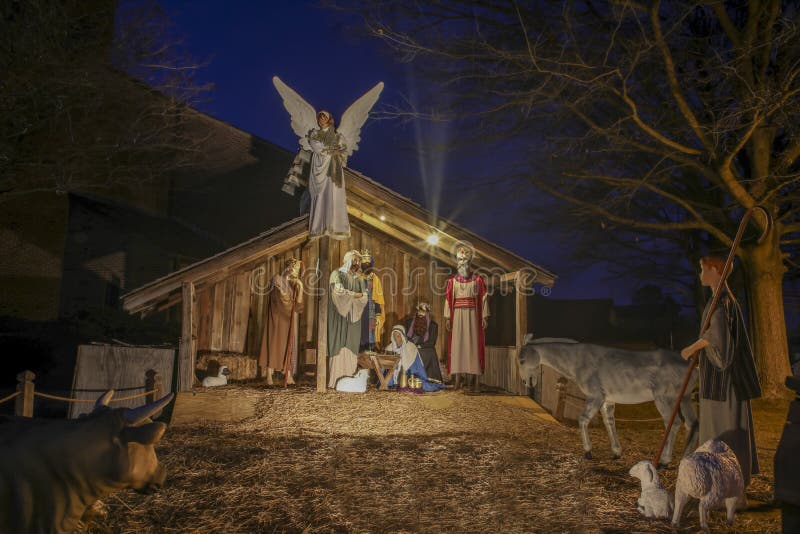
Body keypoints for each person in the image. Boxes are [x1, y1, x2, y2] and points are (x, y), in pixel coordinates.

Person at [680, 255, 761, 486]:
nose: (700, 275)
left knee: (724, 430)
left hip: (725, 384)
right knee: (717, 429)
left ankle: (728, 481)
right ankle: (718, 479)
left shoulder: (723, 300)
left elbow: (717, 337)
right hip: (718, 379)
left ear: (715, 270)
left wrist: (691, 349)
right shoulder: (718, 299)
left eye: (703, 269)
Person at [444, 247, 489, 392]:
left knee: (472, 346)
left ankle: (475, 382)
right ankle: (457, 380)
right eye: (459, 259)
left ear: (469, 261)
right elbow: (448, 299)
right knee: (457, 346)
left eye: (464, 259)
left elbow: (483, 298)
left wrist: (484, 316)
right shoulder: (452, 282)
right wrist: (447, 317)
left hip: (472, 317)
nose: (462, 262)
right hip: (457, 317)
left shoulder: (477, 280)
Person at [258, 258, 303, 385]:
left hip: (287, 320)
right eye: (294, 269)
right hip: (276, 317)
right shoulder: (277, 279)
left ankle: (287, 374)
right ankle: (269, 376)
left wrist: (301, 285)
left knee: (288, 347)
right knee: (273, 344)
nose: (295, 272)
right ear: (288, 268)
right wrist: (290, 299)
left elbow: (299, 307)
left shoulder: (293, 285)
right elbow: (281, 298)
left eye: (297, 270)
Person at [307, 110, 350, 240]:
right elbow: (317, 147)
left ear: (329, 119)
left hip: (333, 169)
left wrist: (338, 151)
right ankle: (318, 226)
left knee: (333, 194)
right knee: (321, 195)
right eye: (319, 118)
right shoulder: (315, 134)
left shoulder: (338, 136)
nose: (321, 120)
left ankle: (334, 225)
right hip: (320, 168)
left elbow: (343, 150)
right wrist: (332, 150)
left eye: (323, 117)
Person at [328, 250, 367, 388]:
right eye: (354, 260)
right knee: (338, 345)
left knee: (351, 347)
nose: (357, 263)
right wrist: (355, 295)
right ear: (347, 260)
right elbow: (338, 291)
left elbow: (364, 297)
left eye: (359, 261)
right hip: (339, 317)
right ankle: (334, 381)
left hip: (353, 318)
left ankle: (349, 381)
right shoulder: (336, 274)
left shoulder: (359, 278)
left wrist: (355, 296)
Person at [385, 325, 445, 392]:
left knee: (421, 386)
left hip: (409, 374)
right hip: (393, 375)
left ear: (402, 336)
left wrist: (407, 372)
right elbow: (385, 366)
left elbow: (417, 367)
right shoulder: (389, 348)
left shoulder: (411, 347)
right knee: (387, 382)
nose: (396, 339)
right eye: (394, 336)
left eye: (398, 336)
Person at [405, 302, 444, 383]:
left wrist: (419, 346)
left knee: (430, 352)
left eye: (423, 312)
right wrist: (411, 345)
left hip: (424, 348)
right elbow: (406, 338)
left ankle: (426, 379)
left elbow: (431, 343)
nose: (420, 314)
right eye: (419, 311)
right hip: (410, 347)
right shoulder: (409, 322)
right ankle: (408, 378)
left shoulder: (433, 325)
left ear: (427, 313)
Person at [358, 249, 385, 352]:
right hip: (359, 311)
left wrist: (378, 314)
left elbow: (378, 298)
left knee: (371, 338)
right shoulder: (357, 278)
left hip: (371, 311)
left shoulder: (375, 279)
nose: (366, 264)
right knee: (359, 336)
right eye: (364, 262)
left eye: (368, 262)